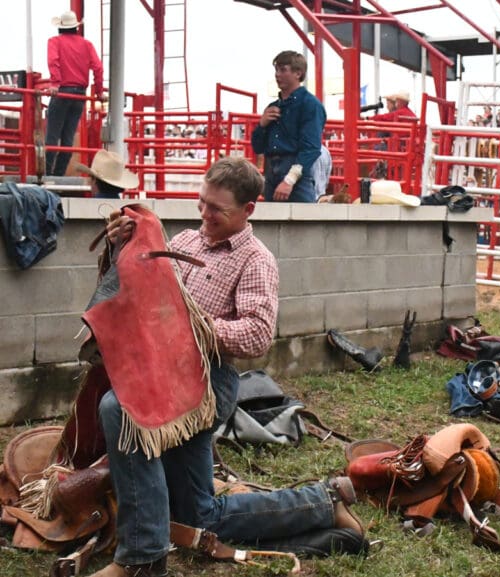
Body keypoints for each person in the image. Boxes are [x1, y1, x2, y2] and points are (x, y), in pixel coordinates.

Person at [92, 157, 363, 576]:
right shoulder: (183, 241)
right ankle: (321, 502)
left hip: (206, 382)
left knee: (121, 409)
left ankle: (142, 557)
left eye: (218, 210)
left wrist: (190, 327)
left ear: (248, 210)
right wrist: (119, 247)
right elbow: (135, 290)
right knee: (198, 514)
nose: (205, 215)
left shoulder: (256, 260)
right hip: (163, 373)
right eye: (202, 203)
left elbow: (257, 335)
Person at [251, 50, 326, 203]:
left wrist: (289, 180)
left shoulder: (310, 105)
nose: (277, 75)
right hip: (276, 172)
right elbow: (257, 146)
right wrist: (262, 125)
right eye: (276, 70)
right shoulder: (277, 107)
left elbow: (310, 148)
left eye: (283, 70)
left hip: (293, 173)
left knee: (299, 222)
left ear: (298, 73)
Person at [45, 10, 104, 177]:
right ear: (76, 28)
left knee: (52, 138)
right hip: (80, 95)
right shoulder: (87, 45)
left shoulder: (54, 42)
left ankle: (47, 177)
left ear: (60, 28)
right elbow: (98, 68)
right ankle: (58, 176)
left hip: (63, 92)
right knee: (68, 139)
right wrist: (99, 91)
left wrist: (55, 83)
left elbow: (53, 61)